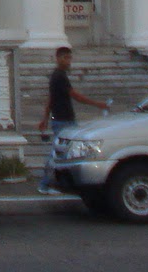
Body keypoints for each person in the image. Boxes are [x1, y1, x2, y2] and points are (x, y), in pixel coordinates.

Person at [37, 47, 110, 195]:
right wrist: (98, 104)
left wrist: (45, 118)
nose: (68, 61)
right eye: (65, 58)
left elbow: (50, 98)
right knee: (59, 153)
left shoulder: (58, 75)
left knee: (66, 152)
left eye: (70, 58)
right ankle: (45, 184)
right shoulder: (59, 76)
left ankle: (61, 183)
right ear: (57, 58)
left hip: (63, 119)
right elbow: (75, 96)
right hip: (63, 120)